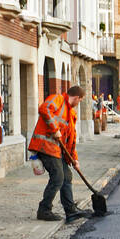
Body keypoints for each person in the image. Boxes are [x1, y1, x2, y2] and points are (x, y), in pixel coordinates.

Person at [29, 85, 87, 222]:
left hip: (57, 150)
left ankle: (70, 210)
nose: (79, 104)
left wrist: (74, 159)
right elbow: (44, 108)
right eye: (80, 101)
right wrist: (55, 128)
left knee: (67, 176)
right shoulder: (58, 99)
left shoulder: (71, 114)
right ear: (77, 97)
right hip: (45, 146)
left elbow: (70, 141)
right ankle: (44, 210)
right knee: (58, 177)